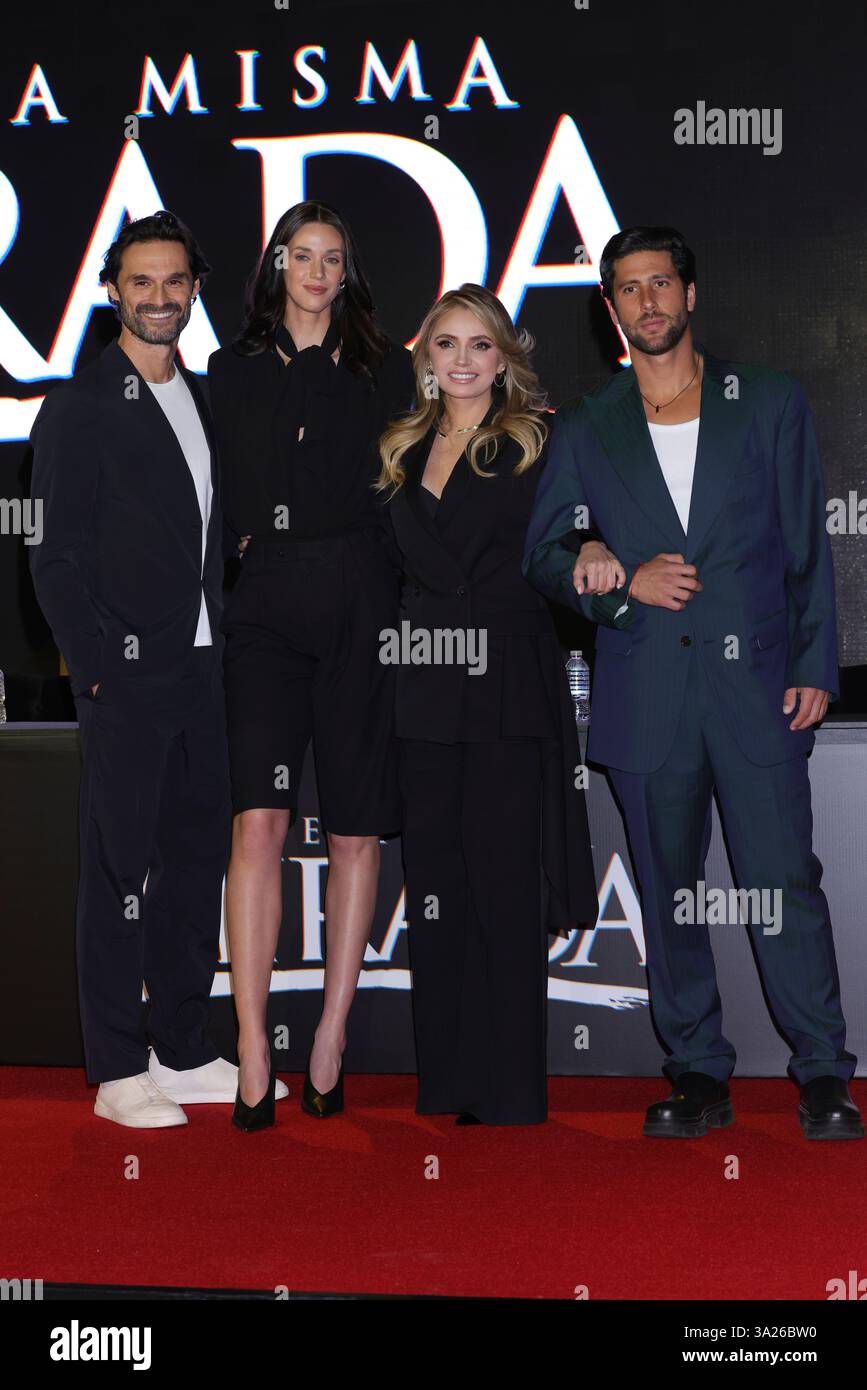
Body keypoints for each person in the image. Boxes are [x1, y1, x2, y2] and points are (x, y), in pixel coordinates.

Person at [523, 225, 863, 1141]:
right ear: (611, 309)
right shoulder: (588, 424)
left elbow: (805, 548)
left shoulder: (769, 403)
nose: (647, 302)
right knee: (667, 892)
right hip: (644, 697)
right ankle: (697, 1074)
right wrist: (617, 580)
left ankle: (824, 1073)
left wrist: (809, 668)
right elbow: (544, 554)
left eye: (661, 283)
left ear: (690, 293)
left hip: (756, 694)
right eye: (628, 289)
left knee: (781, 883)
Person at [29, 210, 256, 1127]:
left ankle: (182, 1045)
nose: (159, 298)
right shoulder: (81, 403)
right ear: (114, 292)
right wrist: (95, 670)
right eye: (141, 283)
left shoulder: (202, 399)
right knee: (118, 872)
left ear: (194, 290)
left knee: (196, 862)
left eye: (174, 282)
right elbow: (52, 555)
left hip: (207, 666)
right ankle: (118, 1067)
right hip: (126, 675)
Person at [377, 284, 621, 1125]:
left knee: (504, 886)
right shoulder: (397, 453)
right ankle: (445, 1077)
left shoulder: (538, 441)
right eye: (446, 345)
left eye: (479, 346)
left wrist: (592, 541)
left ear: (502, 358)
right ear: (426, 358)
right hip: (422, 689)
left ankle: (511, 1087)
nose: (462, 361)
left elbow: (583, 528)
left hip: (510, 678)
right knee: (436, 885)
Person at [208, 200, 415, 1129]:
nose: (318, 271)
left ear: (348, 270)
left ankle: (331, 1034)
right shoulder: (233, 368)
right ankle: (253, 1041)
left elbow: (384, 491)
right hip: (264, 607)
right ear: (277, 264)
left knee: (356, 830)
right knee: (257, 820)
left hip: (361, 601)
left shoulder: (385, 368)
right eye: (303, 255)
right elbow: (245, 489)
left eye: (335, 257)